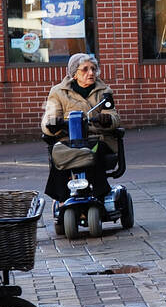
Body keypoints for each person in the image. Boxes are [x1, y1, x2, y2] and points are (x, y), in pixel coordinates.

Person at [41, 53, 120, 201]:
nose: (91, 73)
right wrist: (53, 124)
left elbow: (114, 116)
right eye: (85, 69)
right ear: (74, 73)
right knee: (59, 154)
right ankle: (63, 200)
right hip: (69, 140)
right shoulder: (58, 92)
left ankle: (99, 196)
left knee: (96, 151)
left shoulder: (104, 91)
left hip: (96, 138)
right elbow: (48, 118)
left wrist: (107, 119)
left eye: (93, 69)